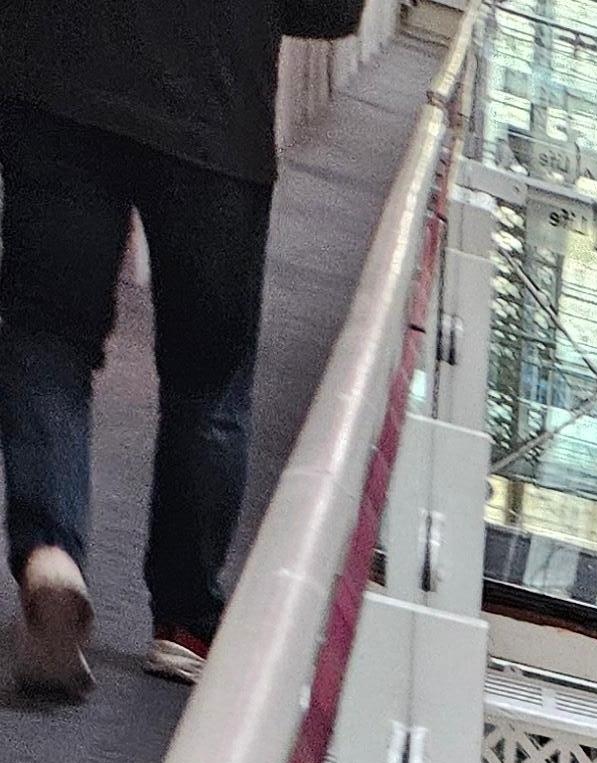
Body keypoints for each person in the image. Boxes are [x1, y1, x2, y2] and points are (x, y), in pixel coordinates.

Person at [0, 0, 364, 701]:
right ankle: (185, 621)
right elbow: (329, 9)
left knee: (48, 335)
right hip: (214, 109)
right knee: (208, 381)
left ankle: (50, 553)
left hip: (55, 70)